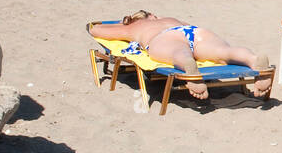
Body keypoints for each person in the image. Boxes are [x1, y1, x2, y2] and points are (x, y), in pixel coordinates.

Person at [89, 11, 272, 101]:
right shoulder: (169, 19)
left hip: (163, 38)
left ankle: (187, 65)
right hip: (192, 31)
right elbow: (187, 26)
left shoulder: (133, 27)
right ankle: (253, 60)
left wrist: (123, 24)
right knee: (224, 54)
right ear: (152, 15)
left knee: (178, 51)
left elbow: (96, 29)